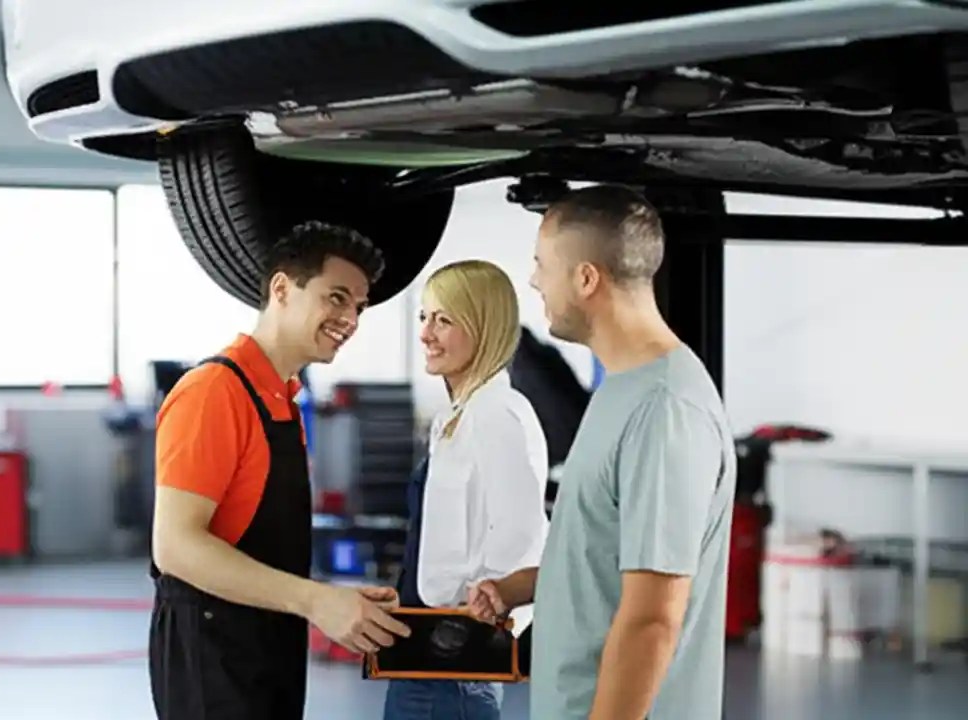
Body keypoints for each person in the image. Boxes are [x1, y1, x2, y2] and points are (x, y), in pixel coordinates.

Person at [466, 185, 737, 720]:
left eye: (542, 264)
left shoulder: (665, 410)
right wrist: (523, 587)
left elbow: (652, 620)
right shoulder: (625, 387)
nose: (534, 279)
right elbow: (620, 556)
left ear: (587, 278)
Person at [148, 221, 412, 720]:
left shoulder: (284, 401)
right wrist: (316, 601)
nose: (350, 318)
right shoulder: (213, 392)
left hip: (267, 645)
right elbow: (175, 546)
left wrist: (332, 601)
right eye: (335, 297)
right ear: (282, 289)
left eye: (358, 306)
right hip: (213, 655)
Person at [383, 260, 551, 720]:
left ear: (485, 327)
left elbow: (521, 531)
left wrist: (476, 610)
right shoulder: (461, 414)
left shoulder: (497, 413)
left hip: (452, 660)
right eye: (424, 317)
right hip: (426, 651)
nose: (426, 333)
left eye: (445, 320)